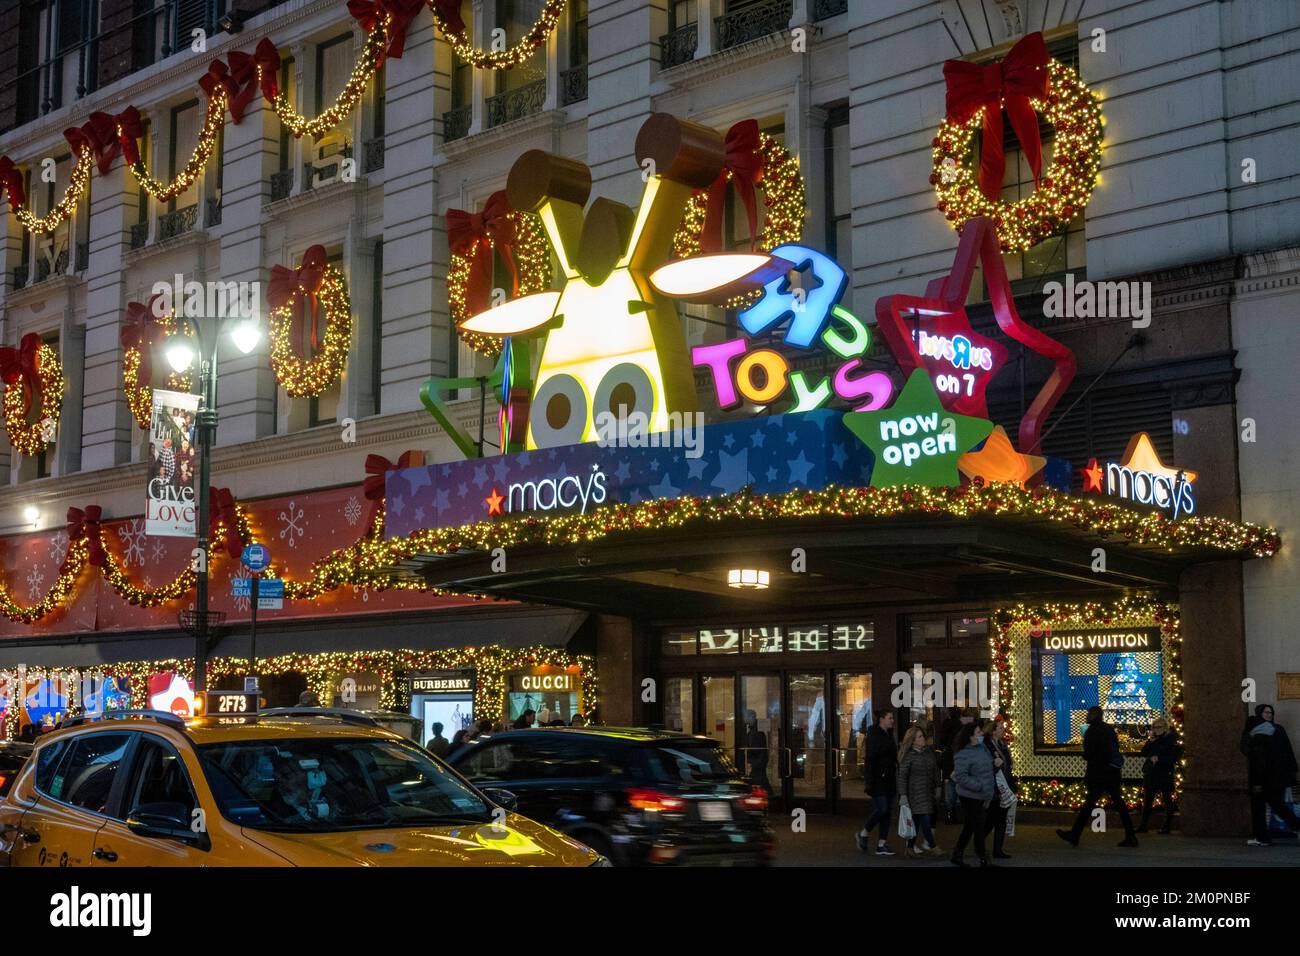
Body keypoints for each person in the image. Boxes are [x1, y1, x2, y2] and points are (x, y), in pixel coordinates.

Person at [1058, 706, 1139, 848]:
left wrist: (1087, 756)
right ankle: (1130, 835)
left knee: (1089, 804)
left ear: (1093, 715)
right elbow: (1115, 748)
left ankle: (1074, 835)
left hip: (1098, 774)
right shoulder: (1108, 729)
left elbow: (1088, 754)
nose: (1086, 716)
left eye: (1089, 713)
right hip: (1112, 773)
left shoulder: (1091, 732)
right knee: (1119, 804)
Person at [1242, 703, 1300, 846]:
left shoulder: (1256, 732)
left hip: (1262, 776)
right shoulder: (1277, 729)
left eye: (1270, 712)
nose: (1269, 715)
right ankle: (1296, 826)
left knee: (1260, 807)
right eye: (1266, 712)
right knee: (1277, 804)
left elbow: (1252, 753)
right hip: (1275, 776)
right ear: (1260, 714)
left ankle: (1262, 838)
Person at [949, 721, 995, 866]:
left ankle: (957, 853)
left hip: (981, 794)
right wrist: (979, 786)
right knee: (978, 826)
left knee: (970, 826)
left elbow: (986, 768)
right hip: (969, 796)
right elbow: (961, 777)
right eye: (978, 733)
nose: (981, 734)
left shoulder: (982, 748)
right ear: (970, 737)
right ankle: (982, 856)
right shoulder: (963, 754)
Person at [856, 710, 898, 856]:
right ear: (881, 719)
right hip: (878, 778)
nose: (892, 720)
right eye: (890, 717)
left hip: (889, 777)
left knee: (886, 811)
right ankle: (864, 832)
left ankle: (881, 844)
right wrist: (869, 780)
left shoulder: (889, 734)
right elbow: (871, 758)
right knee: (883, 808)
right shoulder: (874, 734)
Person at [896, 725, 942, 858]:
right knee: (925, 819)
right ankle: (933, 846)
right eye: (920, 737)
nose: (923, 739)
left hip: (927, 792)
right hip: (914, 794)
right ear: (913, 740)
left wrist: (938, 786)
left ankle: (910, 847)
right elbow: (902, 777)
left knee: (916, 821)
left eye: (923, 736)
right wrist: (903, 795)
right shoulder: (908, 756)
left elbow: (935, 770)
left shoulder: (928, 752)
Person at [1137, 717, 1182, 834]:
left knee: (1167, 799)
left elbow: (1173, 757)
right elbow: (1144, 752)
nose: (1155, 730)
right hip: (1151, 773)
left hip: (1164, 773)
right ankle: (1143, 825)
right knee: (1147, 800)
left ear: (1165, 728)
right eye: (1154, 727)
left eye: (1158, 727)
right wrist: (1151, 742)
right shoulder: (1153, 739)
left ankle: (1166, 826)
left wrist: (1159, 758)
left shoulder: (1170, 740)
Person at [981, 717, 1015, 859]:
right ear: (993, 731)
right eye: (1000, 728)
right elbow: (988, 766)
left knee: (999, 817)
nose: (1003, 730)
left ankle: (997, 849)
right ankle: (980, 842)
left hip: (1003, 784)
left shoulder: (1001, 744)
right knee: (993, 817)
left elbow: (1007, 764)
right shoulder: (988, 746)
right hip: (995, 786)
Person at [742, 709, 773, 796]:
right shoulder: (752, 730)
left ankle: (768, 797)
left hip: (758, 761)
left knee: (759, 780)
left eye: (745, 716)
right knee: (761, 780)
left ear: (751, 717)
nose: (743, 718)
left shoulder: (758, 730)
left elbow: (757, 748)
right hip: (757, 761)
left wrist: (754, 761)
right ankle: (769, 796)